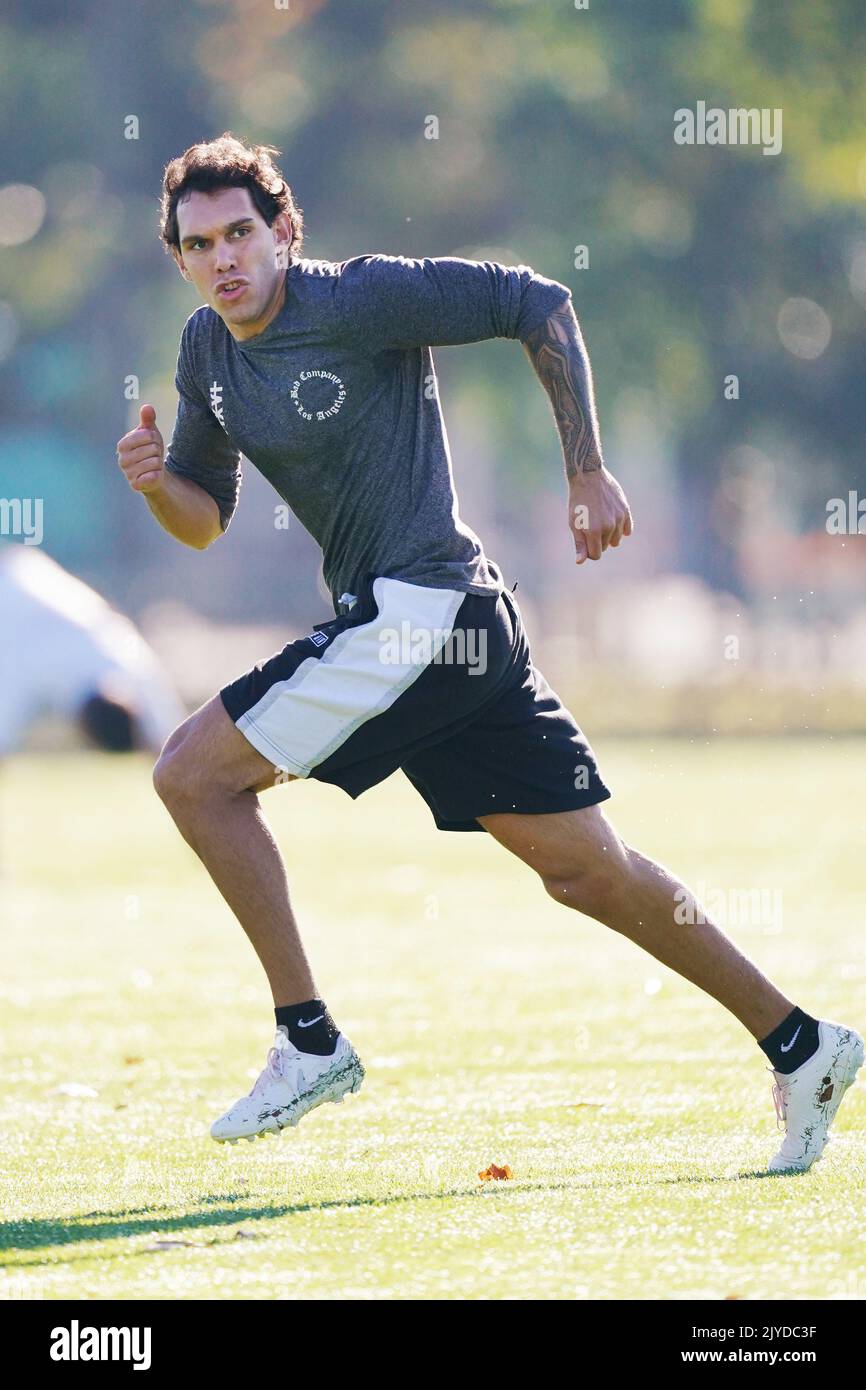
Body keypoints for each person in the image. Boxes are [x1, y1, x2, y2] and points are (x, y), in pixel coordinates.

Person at [115, 132, 861, 1169]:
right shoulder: (207, 351)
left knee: (191, 777)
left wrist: (587, 471)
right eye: (199, 244)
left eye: (241, 231)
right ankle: (801, 1042)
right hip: (448, 632)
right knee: (585, 872)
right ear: (181, 260)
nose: (225, 256)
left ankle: (307, 1038)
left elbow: (537, 300)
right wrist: (156, 481)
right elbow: (205, 518)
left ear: (284, 231)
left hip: (422, 615)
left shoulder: (360, 298)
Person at [0, 543, 184, 756]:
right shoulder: (28, 660)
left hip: (27, 571)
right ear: (85, 730)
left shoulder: (123, 654)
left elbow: (169, 738)